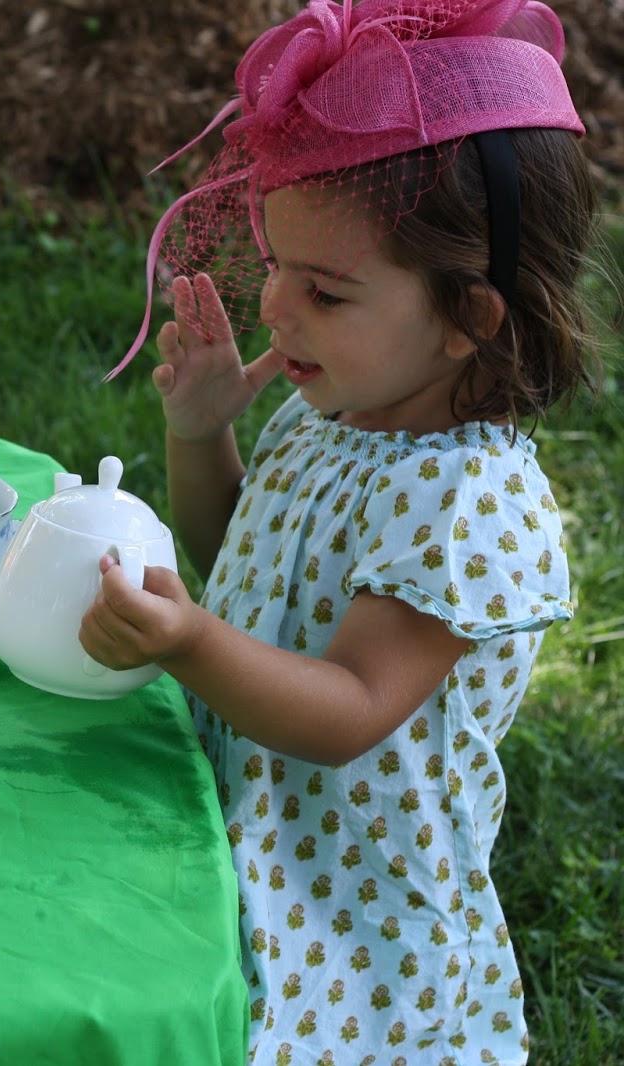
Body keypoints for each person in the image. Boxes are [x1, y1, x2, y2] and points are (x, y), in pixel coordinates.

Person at [77, 1, 608, 1062]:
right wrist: (199, 434)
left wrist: (187, 644)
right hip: (252, 814)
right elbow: (238, 551)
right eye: (275, 263)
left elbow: (350, 710)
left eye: (324, 290)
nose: (274, 306)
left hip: (348, 903)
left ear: (469, 319)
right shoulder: (330, 414)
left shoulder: (467, 505)